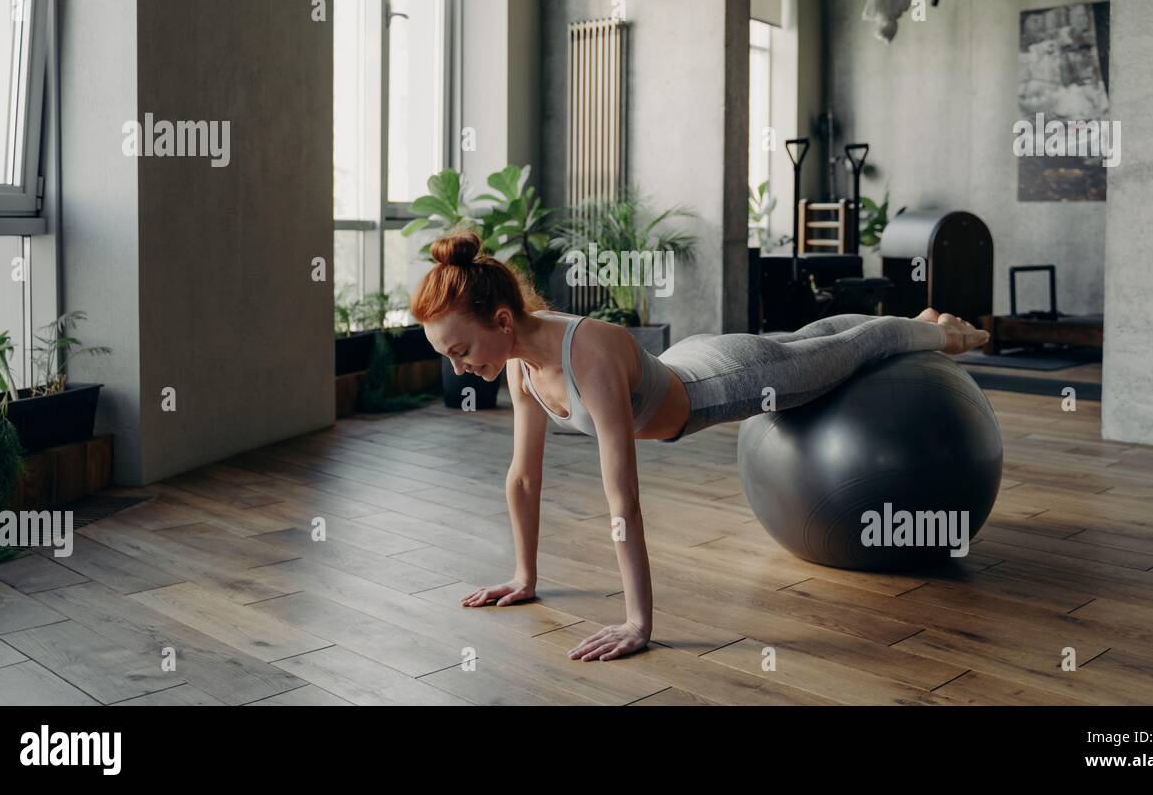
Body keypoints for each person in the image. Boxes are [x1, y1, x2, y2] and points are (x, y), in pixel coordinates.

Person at [412, 231, 990, 662]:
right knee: (813, 342)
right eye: (449, 358)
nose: (460, 368)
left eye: (460, 350)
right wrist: (523, 576)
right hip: (687, 361)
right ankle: (924, 320)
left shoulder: (586, 356)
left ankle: (944, 331)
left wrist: (639, 624)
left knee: (855, 346)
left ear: (504, 319)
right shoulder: (521, 365)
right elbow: (523, 479)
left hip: (725, 382)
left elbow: (624, 502)